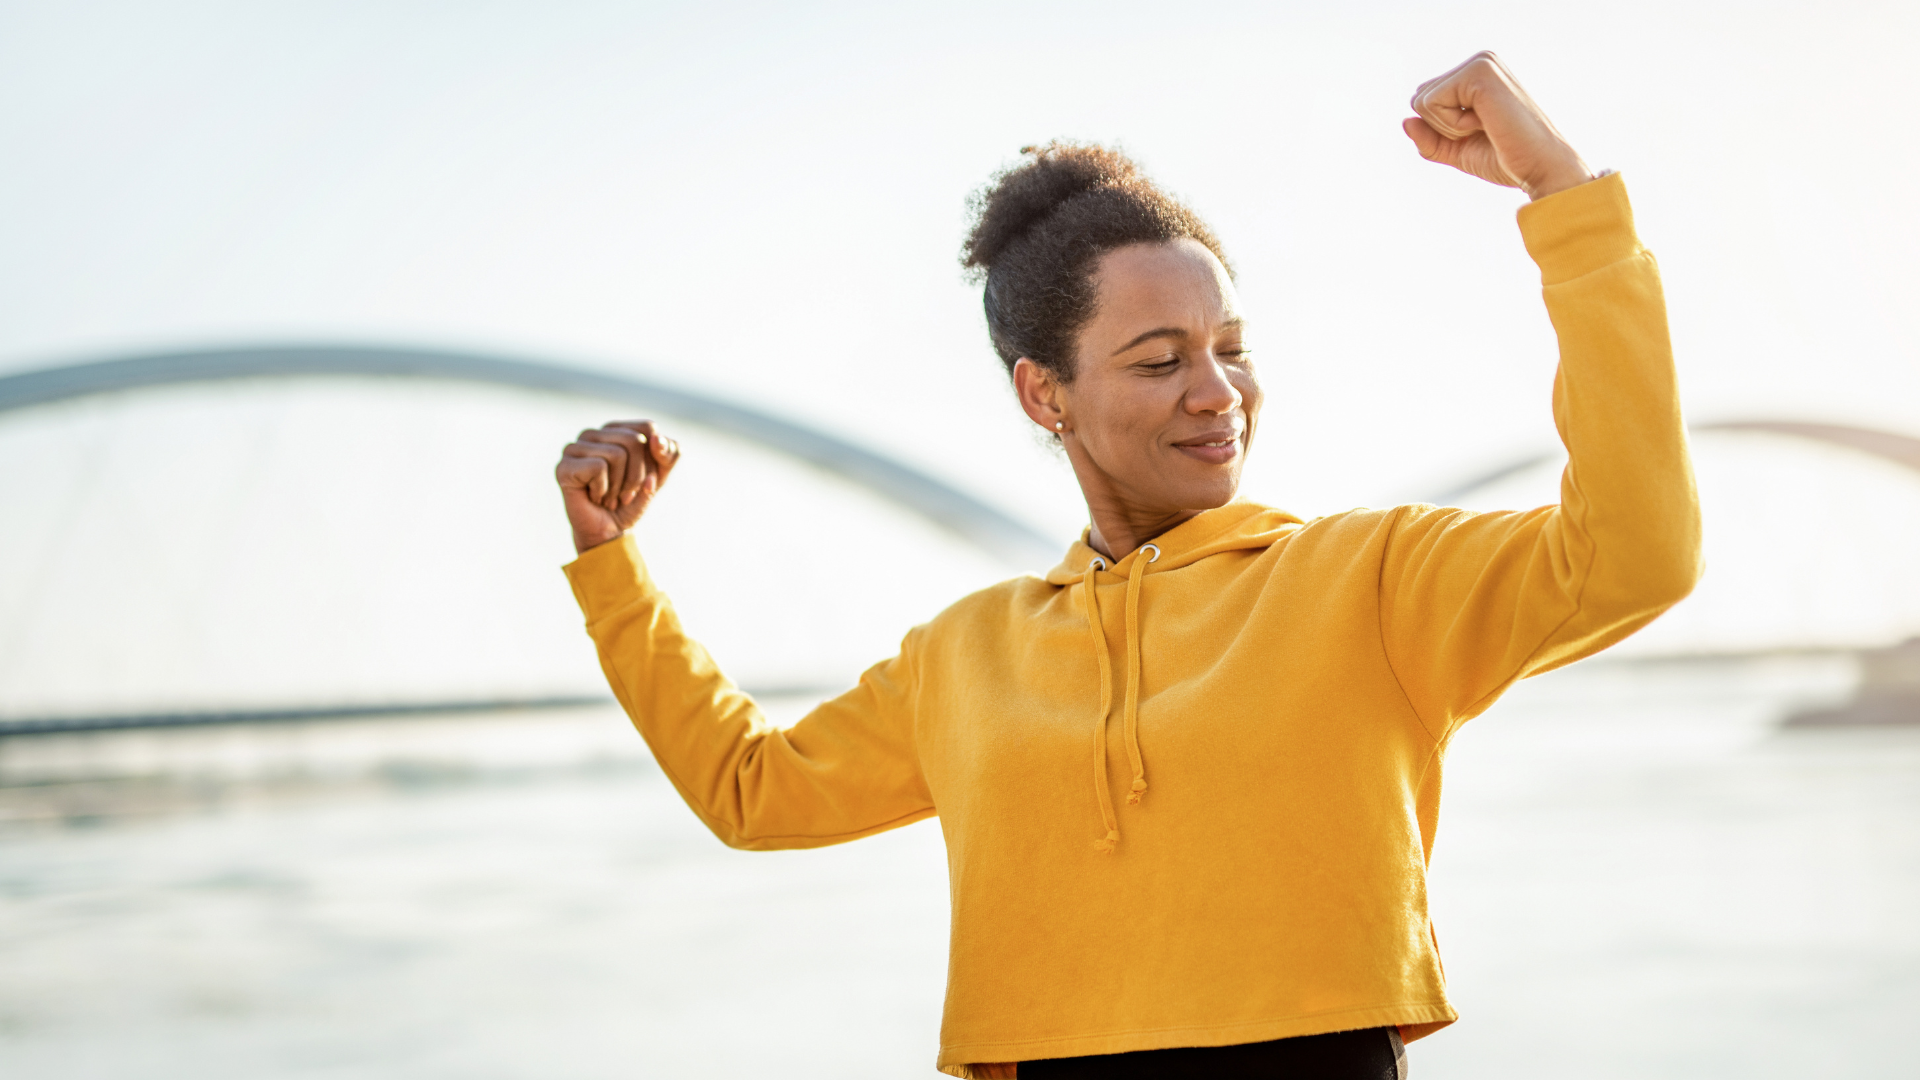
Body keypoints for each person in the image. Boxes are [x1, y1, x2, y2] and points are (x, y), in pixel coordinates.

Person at [552, 52, 1701, 1080]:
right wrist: (614, 568)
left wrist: (1564, 197)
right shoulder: (967, 654)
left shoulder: (1370, 580)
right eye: (1160, 361)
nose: (1218, 393)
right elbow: (756, 795)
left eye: (1232, 350)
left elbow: (1637, 555)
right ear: (1044, 394)